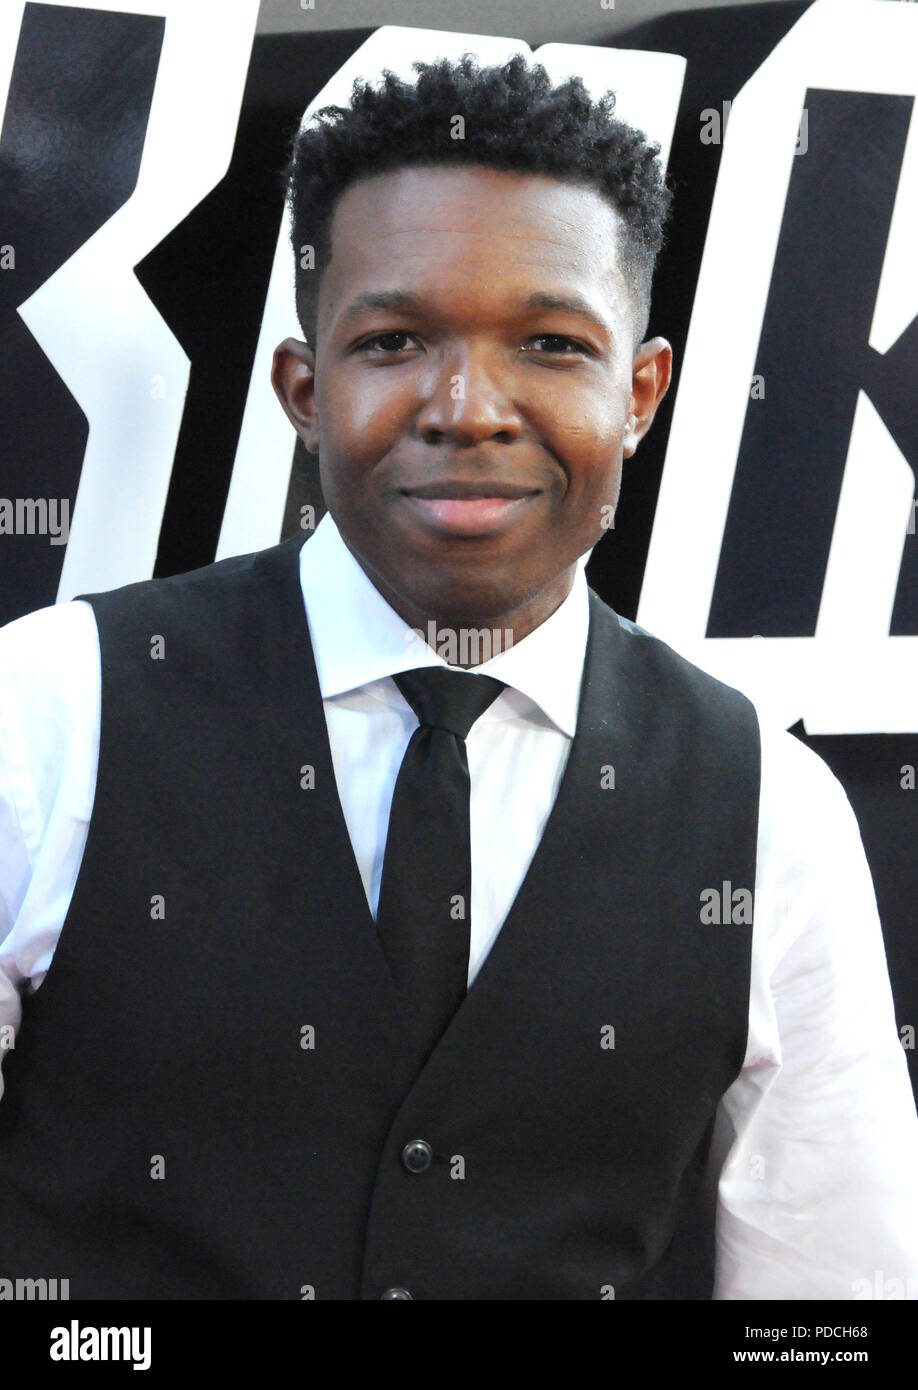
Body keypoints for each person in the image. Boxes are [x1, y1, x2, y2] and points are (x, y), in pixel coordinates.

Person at [0, 51, 916, 1302]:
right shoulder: (54, 711)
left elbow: (829, 1301)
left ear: (639, 391)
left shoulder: (769, 811)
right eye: (395, 340)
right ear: (305, 390)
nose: (469, 408)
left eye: (548, 342)